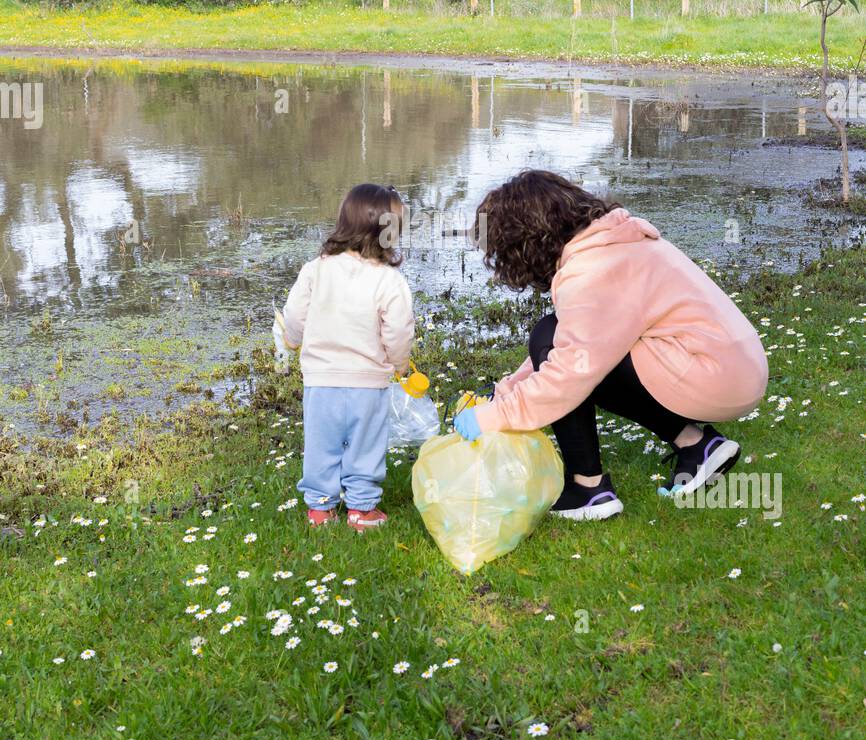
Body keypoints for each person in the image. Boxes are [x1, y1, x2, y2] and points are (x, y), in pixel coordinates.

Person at [453, 170, 768, 521]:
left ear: (526, 242)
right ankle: (699, 447)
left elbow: (568, 370)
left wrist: (496, 416)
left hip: (714, 377)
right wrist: (508, 389)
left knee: (553, 342)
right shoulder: (611, 241)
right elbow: (577, 339)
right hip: (732, 368)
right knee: (564, 343)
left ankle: (589, 490)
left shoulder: (591, 271)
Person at [274, 183, 414, 530]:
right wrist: (400, 364)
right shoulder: (388, 280)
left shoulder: (315, 269)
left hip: (322, 381)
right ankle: (361, 508)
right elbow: (398, 330)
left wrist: (292, 339)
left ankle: (320, 508)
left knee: (321, 443)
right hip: (368, 382)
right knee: (366, 444)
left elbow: (294, 316)